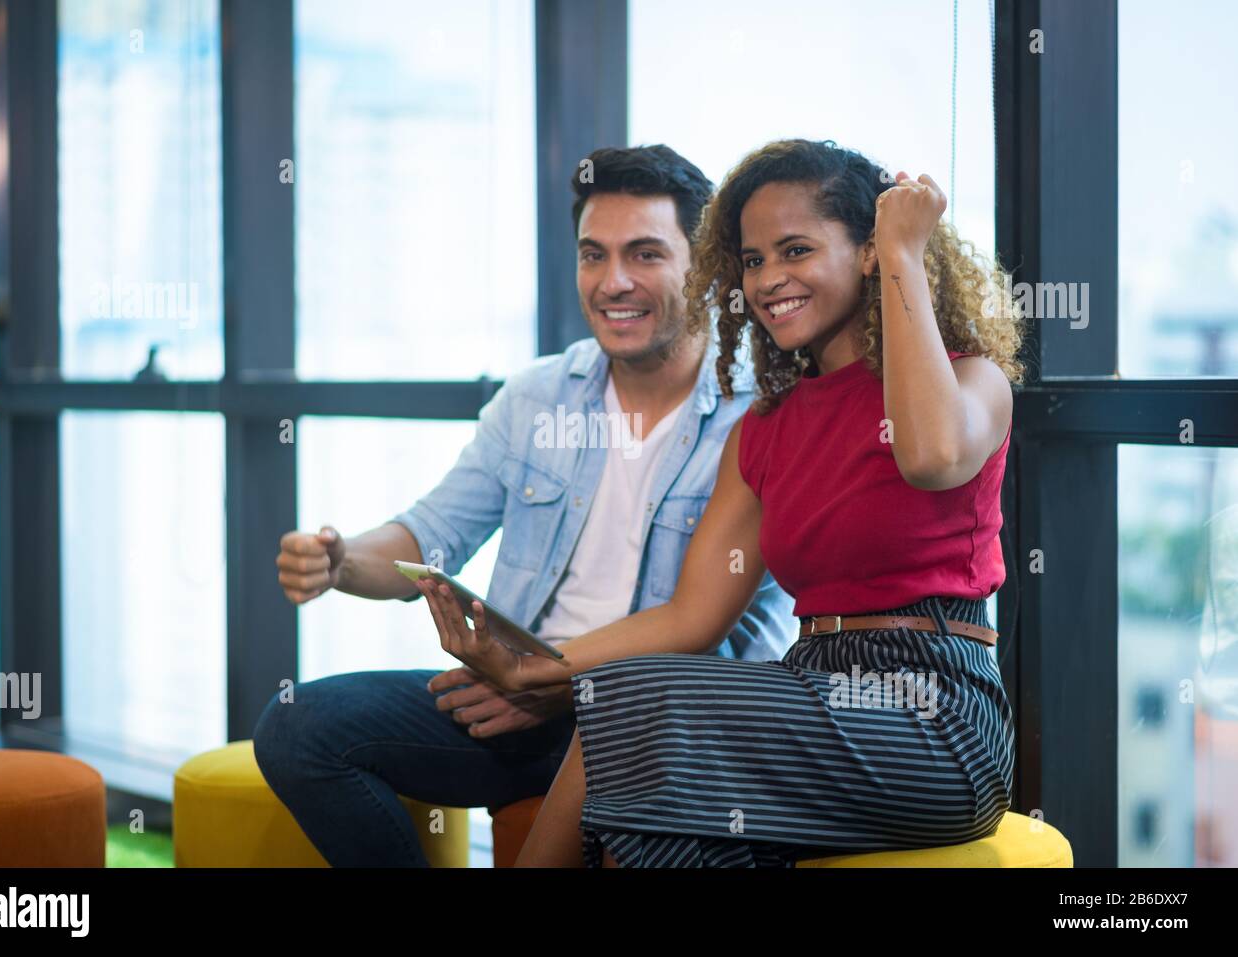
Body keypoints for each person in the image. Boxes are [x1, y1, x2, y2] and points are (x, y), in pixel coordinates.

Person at [416, 137, 1026, 867]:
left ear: (866, 251)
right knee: (658, 833)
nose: (770, 279)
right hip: (809, 685)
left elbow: (930, 456)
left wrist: (902, 253)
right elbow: (691, 616)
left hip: (933, 709)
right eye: (755, 259)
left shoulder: (972, 379)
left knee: (622, 703)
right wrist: (533, 669)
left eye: (796, 250)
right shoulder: (764, 426)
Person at [253, 144, 797, 866]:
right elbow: (430, 536)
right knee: (299, 727)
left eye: (644, 254)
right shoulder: (538, 397)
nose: (614, 283)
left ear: (704, 268)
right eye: (593, 255)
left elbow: (722, 638)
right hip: (515, 702)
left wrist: (564, 686)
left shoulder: (761, 413)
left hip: (654, 723)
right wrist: (341, 560)